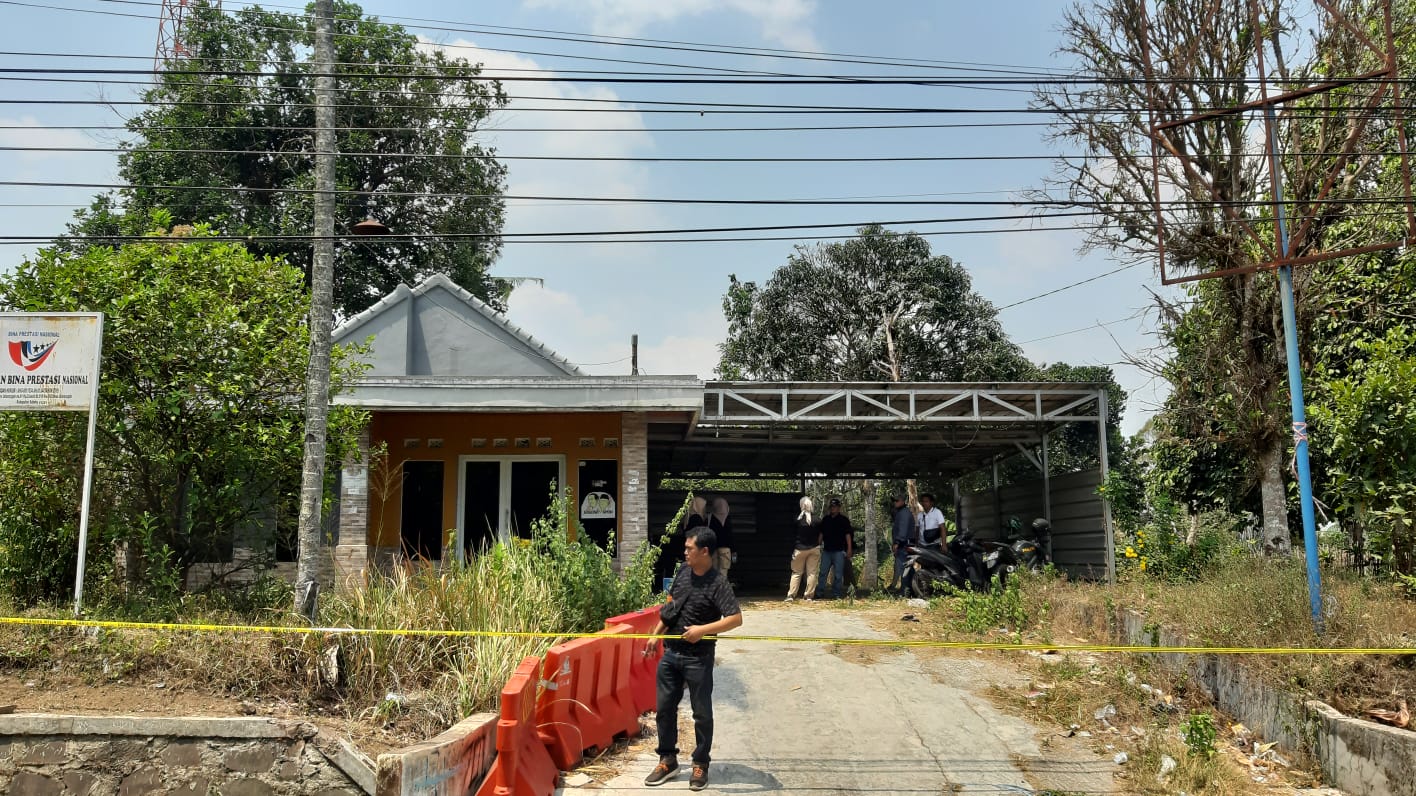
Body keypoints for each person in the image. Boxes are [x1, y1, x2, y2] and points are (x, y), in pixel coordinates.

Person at [643, 528, 743, 790]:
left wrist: (702, 630)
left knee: (702, 713)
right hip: (671, 654)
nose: (685, 552)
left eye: (689, 548)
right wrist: (655, 636)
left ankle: (701, 763)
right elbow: (670, 609)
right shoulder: (683, 573)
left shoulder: (717, 583)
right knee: (664, 709)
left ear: (704, 552)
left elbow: (735, 618)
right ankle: (667, 760)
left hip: (698, 659)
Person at [816, 498, 854, 599]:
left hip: (839, 551)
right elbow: (821, 533)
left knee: (838, 574)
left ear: (839, 508)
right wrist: (817, 544)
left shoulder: (844, 520)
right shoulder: (826, 519)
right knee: (823, 573)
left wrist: (849, 549)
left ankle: (836, 594)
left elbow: (848, 535)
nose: (833, 508)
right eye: (832, 507)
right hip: (827, 550)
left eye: (835, 506)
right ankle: (819, 592)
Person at [786, 496, 822, 601]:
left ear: (801, 506)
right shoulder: (817, 520)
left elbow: (793, 534)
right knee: (812, 573)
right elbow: (821, 533)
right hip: (814, 548)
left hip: (800, 549)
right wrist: (818, 543)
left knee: (796, 572)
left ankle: (791, 595)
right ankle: (809, 596)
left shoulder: (797, 520)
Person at [889, 494, 916, 595]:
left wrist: (897, 542)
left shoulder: (904, 513)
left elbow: (903, 530)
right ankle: (912, 589)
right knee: (908, 567)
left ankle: (904, 590)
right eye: (894, 501)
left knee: (903, 567)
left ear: (902, 501)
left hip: (904, 545)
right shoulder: (902, 512)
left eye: (897, 501)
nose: (895, 502)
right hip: (906, 544)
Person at [708, 497, 734, 581]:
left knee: (714, 570)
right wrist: (734, 550)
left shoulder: (710, 518)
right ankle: (721, 590)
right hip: (725, 548)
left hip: (714, 548)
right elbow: (730, 535)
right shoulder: (727, 518)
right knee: (723, 571)